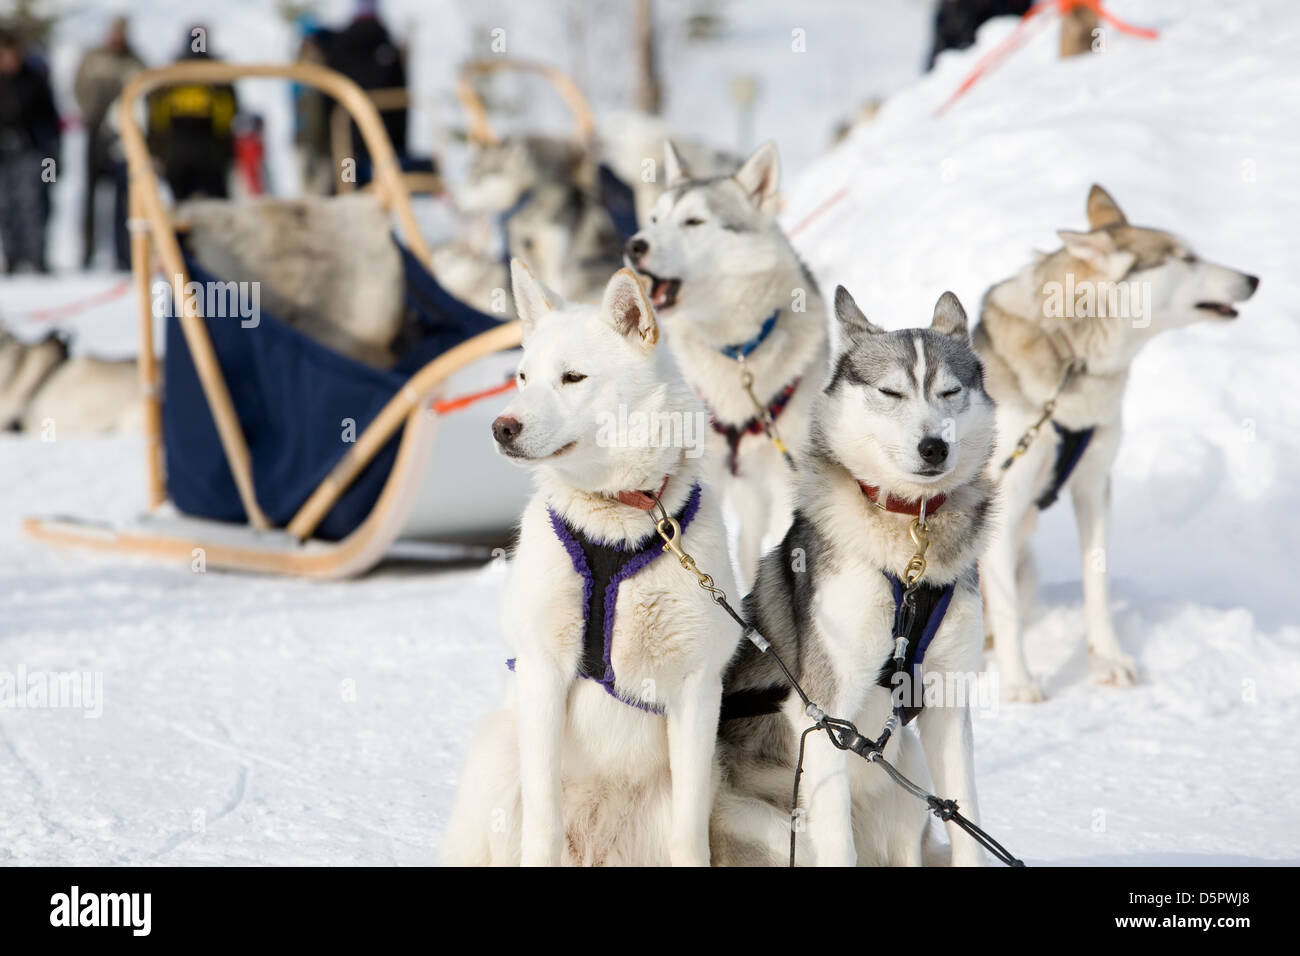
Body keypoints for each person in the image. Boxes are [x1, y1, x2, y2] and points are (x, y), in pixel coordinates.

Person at [74, 16, 142, 268]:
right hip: (94, 133)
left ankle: (124, 255)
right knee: (90, 195)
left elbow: (142, 93)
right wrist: (89, 114)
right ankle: (87, 253)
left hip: (122, 136)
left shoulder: (135, 61)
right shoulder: (92, 58)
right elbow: (77, 87)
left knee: (124, 196)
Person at [146, 25, 237, 201]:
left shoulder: (170, 73)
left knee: (182, 209)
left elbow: (156, 119)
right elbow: (228, 116)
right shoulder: (218, 74)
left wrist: (156, 150)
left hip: (178, 153)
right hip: (209, 154)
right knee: (215, 207)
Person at [0, 25, 59, 273]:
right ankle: (12, 258)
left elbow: (51, 120)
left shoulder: (35, 79)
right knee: (5, 206)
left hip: (30, 151)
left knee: (33, 205)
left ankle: (36, 258)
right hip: (3, 154)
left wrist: (52, 160)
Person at [326, 0, 407, 175]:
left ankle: (345, 186)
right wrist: (401, 149)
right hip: (385, 150)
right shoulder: (388, 49)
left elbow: (326, 101)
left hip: (346, 149)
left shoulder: (337, 47)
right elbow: (402, 106)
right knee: (387, 190)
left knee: (347, 184)